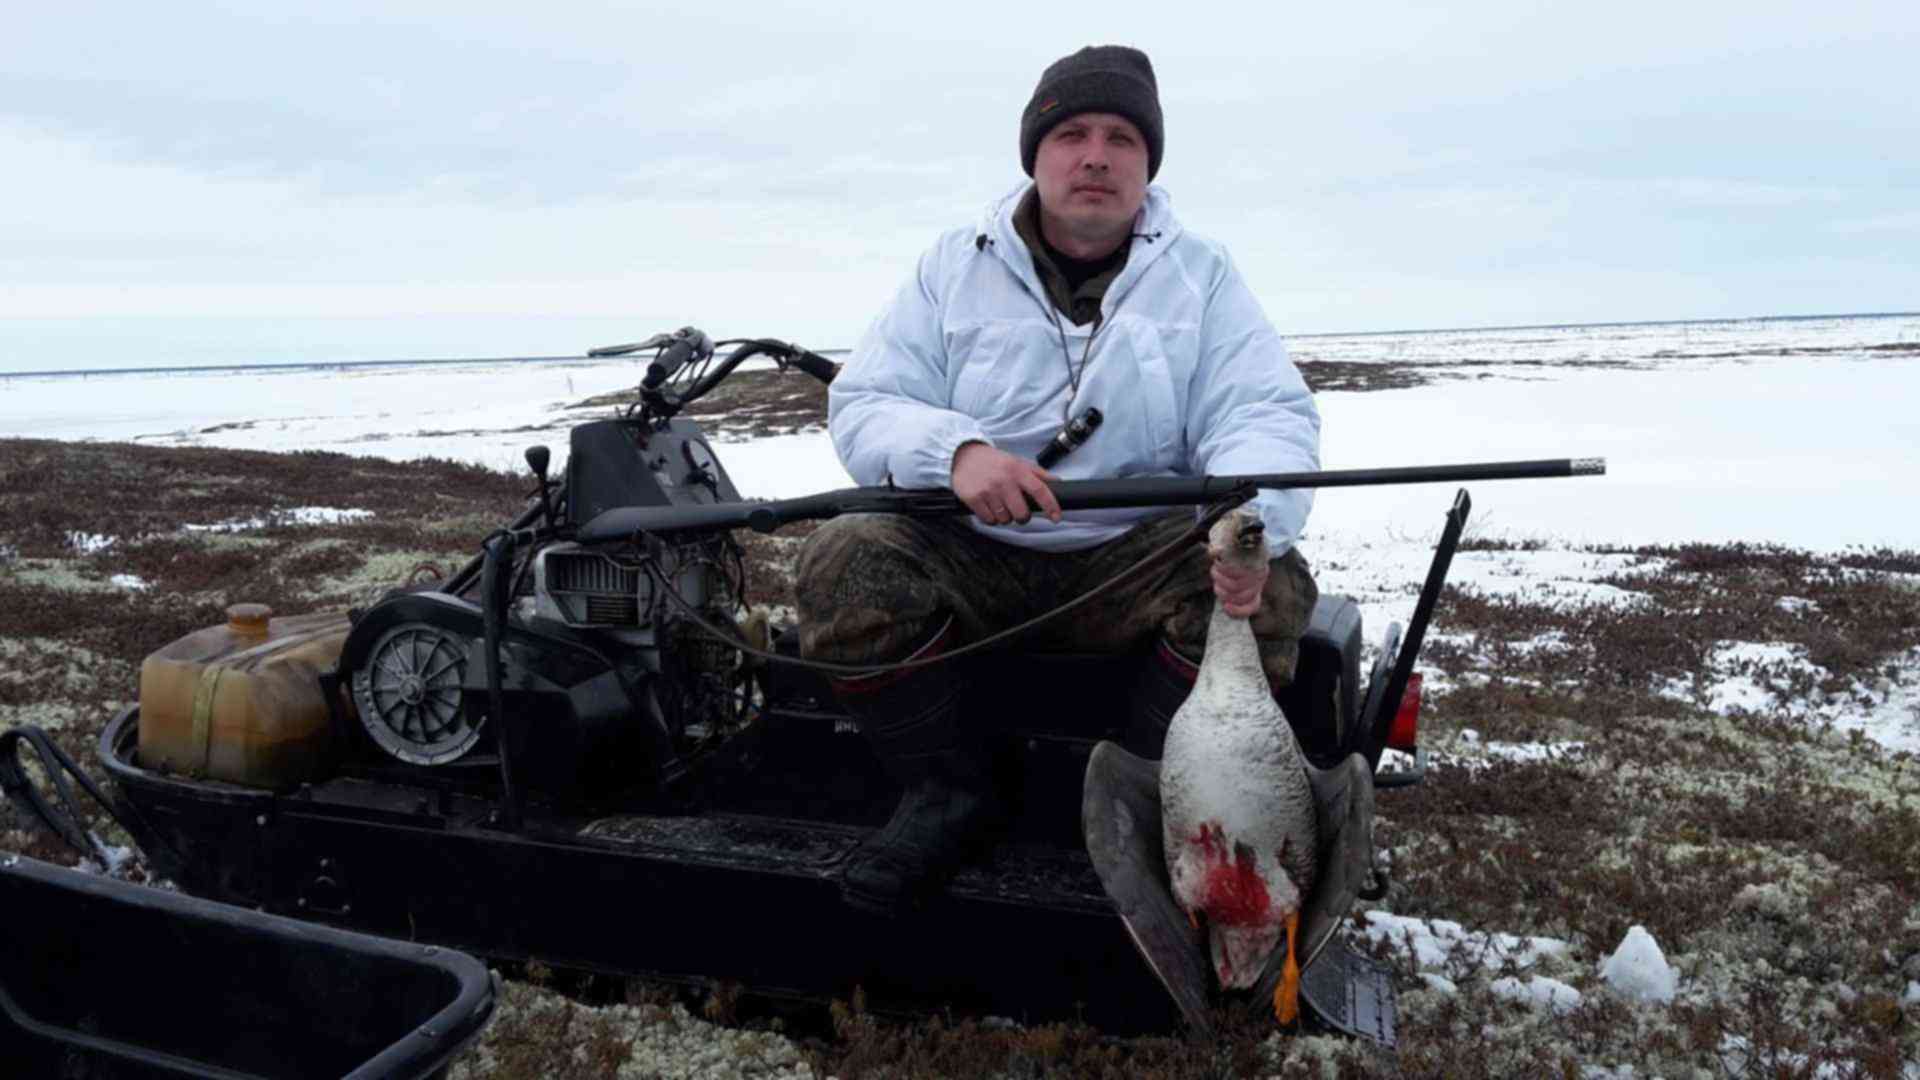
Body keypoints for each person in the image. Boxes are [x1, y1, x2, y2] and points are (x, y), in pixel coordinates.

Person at [796, 44, 1321, 915]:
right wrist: (957, 456)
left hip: (1132, 559)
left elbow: (1265, 412)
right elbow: (868, 403)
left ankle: (1153, 800)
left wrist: (1248, 522)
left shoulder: (1204, 276)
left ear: (1147, 163)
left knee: (1271, 593)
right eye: (1072, 133)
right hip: (977, 554)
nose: (1095, 155)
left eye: (1121, 137)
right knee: (843, 562)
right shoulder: (949, 268)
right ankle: (950, 789)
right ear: (1034, 155)